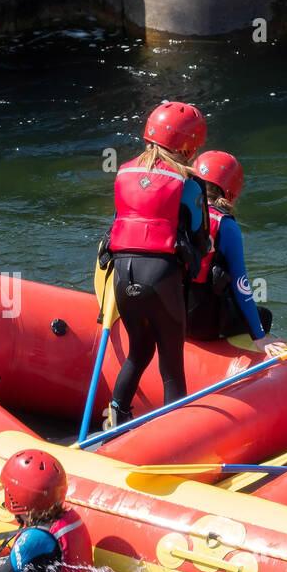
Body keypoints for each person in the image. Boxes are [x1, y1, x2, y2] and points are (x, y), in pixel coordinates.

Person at [100, 101, 209, 429]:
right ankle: (174, 437)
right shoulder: (188, 182)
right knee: (172, 366)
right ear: (189, 147)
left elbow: (122, 221)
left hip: (122, 273)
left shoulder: (123, 172)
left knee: (139, 351)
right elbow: (200, 239)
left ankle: (114, 420)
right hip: (161, 277)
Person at [187, 150, 287, 356]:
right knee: (264, 316)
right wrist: (260, 338)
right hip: (200, 322)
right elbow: (241, 285)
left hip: (171, 313)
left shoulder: (178, 208)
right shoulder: (225, 226)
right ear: (232, 189)